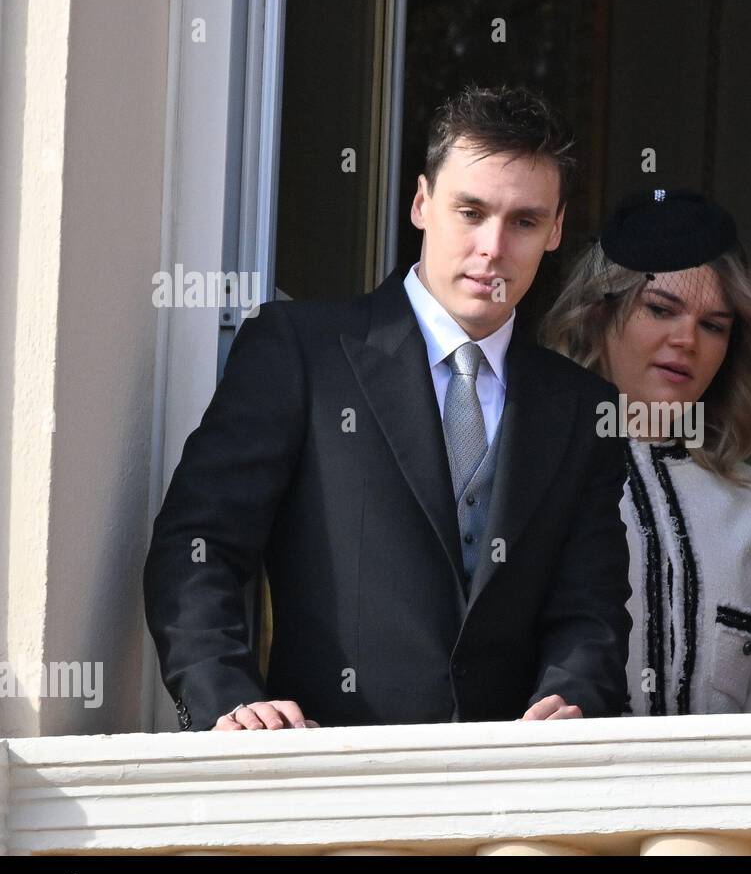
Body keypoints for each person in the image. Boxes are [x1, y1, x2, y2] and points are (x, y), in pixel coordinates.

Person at [143, 84, 632, 731]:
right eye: (471, 211)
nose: (493, 247)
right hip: (327, 785)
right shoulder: (301, 352)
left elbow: (590, 606)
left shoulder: (582, 407)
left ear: (556, 230)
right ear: (422, 203)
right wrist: (227, 698)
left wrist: (570, 697)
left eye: (523, 221)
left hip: (511, 799)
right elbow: (199, 542)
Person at [541, 190, 751, 714]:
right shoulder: (527, 468)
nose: (687, 339)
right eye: (661, 310)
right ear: (600, 313)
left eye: (714, 325)